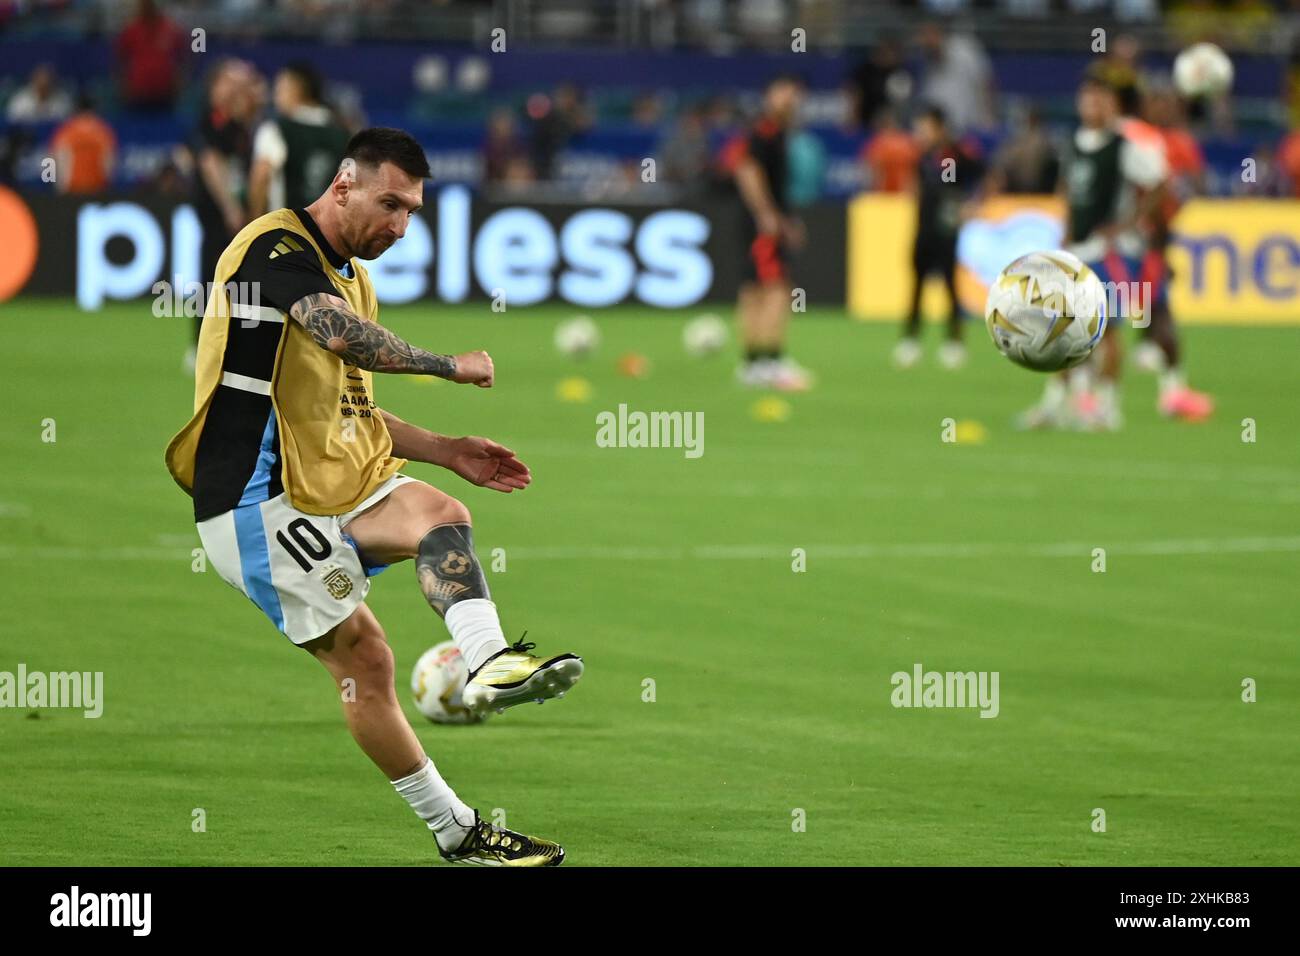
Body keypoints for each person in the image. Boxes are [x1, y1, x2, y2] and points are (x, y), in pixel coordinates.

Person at [164, 127, 582, 866]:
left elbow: (347, 405)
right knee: (366, 662)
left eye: (414, 211)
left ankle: (488, 662)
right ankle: (458, 832)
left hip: (327, 477)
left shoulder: (352, 273)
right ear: (343, 184)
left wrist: (447, 450)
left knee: (443, 515)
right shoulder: (274, 251)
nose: (400, 224)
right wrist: (450, 365)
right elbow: (347, 340)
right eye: (391, 203)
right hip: (255, 504)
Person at [1017, 72, 1166, 431]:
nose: (1092, 105)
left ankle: (1107, 406)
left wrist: (1128, 225)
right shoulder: (1073, 142)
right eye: (1087, 98)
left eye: (1100, 99)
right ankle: (1055, 405)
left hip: (1110, 252)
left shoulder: (1124, 145)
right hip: (1078, 249)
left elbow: (1158, 184)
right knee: (1062, 327)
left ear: (1113, 105)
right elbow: (1069, 190)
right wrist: (1064, 235)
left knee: (1106, 330)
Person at [723, 72, 812, 391]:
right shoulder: (765, 132)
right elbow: (747, 171)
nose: (790, 98)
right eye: (784, 91)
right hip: (763, 224)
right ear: (769, 95)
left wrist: (781, 217)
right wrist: (769, 216)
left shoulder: (775, 132)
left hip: (761, 220)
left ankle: (753, 364)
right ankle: (771, 362)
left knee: (755, 290)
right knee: (776, 288)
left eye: (794, 93)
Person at [893, 105, 983, 371]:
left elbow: (984, 175)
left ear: (939, 128)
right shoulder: (923, 156)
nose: (919, 133)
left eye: (925, 128)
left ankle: (954, 342)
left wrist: (972, 203)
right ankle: (911, 340)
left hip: (946, 231)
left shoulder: (956, 154)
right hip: (923, 228)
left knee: (949, 286)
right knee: (917, 284)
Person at [186, 59, 260, 372]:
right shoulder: (211, 122)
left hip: (240, 212)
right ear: (215, 86)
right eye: (230, 81)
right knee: (213, 276)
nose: (237, 88)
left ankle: (240, 344)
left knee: (243, 277)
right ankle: (200, 345)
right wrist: (229, 205)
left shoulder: (240, 124)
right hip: (218, 213)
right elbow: (210, 163)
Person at [248, 63, 350, 218]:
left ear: (296, 89)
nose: (275, 98)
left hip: (285, 230)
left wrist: (254, 223)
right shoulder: (343, 135)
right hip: (327, 235)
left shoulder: (276, 130)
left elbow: (262, 176)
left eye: (280, 90)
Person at [48, 93, 117, 194]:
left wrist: (58, 187)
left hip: (71, 190)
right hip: (97, 190)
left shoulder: (65, 131)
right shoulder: (103, 131)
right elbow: (109, 164)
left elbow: (53, 160)